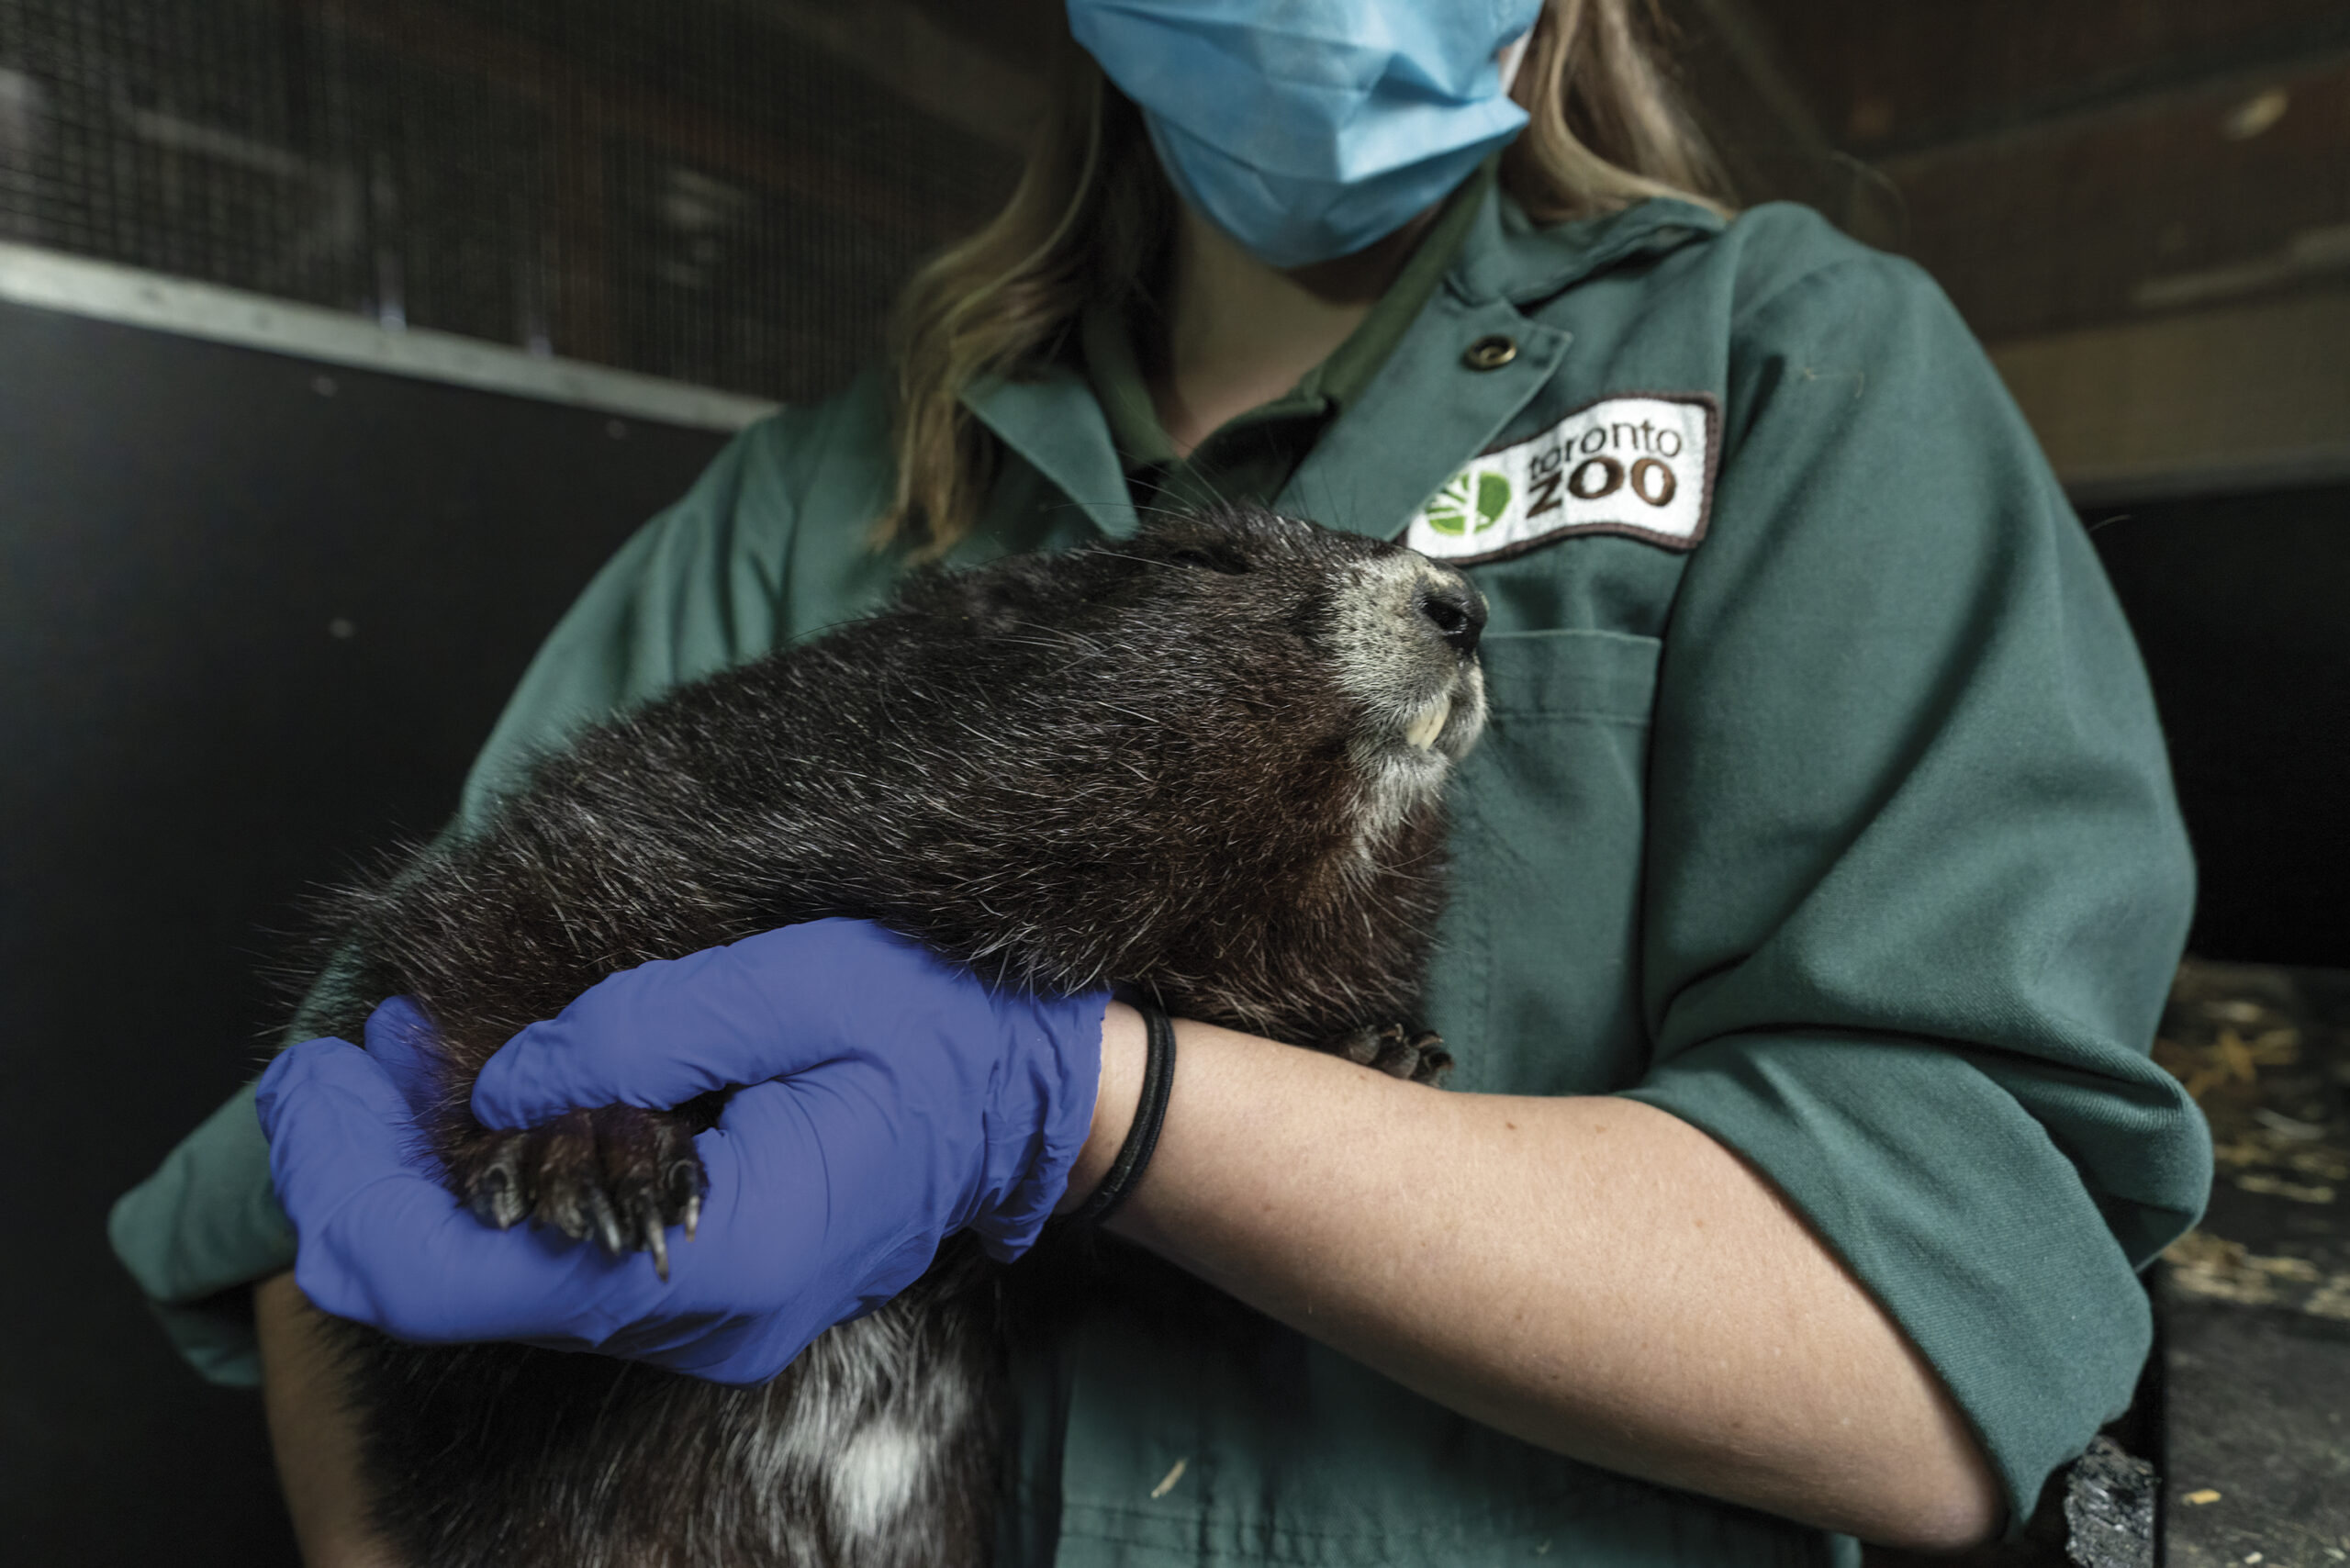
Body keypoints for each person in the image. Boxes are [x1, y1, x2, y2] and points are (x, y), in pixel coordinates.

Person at [111, 1, 2209, 1562]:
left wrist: (1081, 1099)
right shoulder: (814, 503)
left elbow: (1942, 1333)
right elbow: (338, 1184)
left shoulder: (1789, 362)